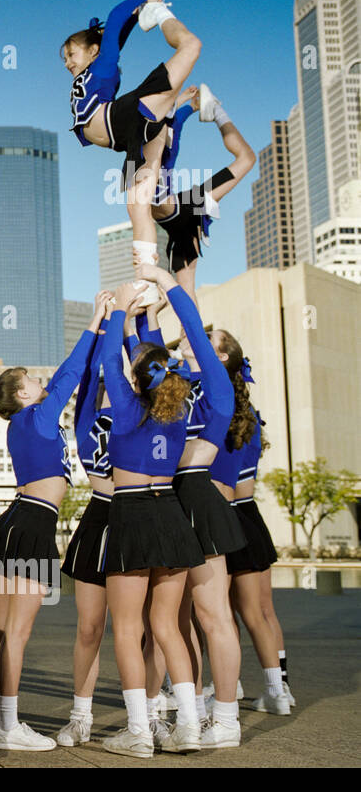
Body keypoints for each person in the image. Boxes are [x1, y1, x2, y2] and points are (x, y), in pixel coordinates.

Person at [0, 297, 106, 750]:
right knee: (18, 632)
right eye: (32, 379)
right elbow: (67, 375)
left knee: (3, 629)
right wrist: (96, 321)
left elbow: (67, 376)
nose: (40, 381)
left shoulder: (20, 424)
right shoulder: (39, 417)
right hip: (34, 526)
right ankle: (8, 725)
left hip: (15, 522)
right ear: (22, 393)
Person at [95, 272, 210, 758]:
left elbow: (108, 363)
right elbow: (154, 364)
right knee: (169, 628)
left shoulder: (123, 405)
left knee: (127, 628)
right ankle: (188, 727)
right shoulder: (178, 408)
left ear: (134, 378)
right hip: (171, 514)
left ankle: (140, 731)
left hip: (132, 513)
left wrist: (118, 310)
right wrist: (147, 319)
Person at [138, 263, 245, 748]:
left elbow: (193, 339)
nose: (190, 346)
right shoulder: (172, 384)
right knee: (172, 620)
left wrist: (167, 281)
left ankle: (226, 717)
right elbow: (146, 352)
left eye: (202, 344)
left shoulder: (218, 393)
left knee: (212, 613)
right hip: (164, 499)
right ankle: (194, 710)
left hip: (197, 496)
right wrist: (146, 311)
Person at [63, 0, 203, 281]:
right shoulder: (96, 67)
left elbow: (115, 20)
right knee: (139, 205)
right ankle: (146, 275)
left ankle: (161, 13)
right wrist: (137, 15)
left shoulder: (100, 65)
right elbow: (115, 35)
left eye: (71, 54)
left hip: (128, 116)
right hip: (131, 132)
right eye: (65, 59)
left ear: (92, 51)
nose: (67, 63)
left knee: (190, 46)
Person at [55, 291, 123, 746]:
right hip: (98, 517)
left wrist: (124, 319)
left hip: (141, 516)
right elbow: (86, 371)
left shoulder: (141, 412)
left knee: (147, 630)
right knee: (89, 626)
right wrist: (100, 322)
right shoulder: (85, 421)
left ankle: (152, 710)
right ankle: (81, 715)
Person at [209, 348, 291, 716]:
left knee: (220, 612)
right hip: (250, 516)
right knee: (260, 611)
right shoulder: (249, 414)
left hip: (228, 515)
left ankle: (232, 684)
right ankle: (278, 689)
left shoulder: (219, 408)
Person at [152, 87, 256, 301]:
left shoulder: (167, 136)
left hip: (180, 211)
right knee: (246, 158)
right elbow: (167, 118)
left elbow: (171, 120)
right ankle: (215, 110)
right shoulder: (153, 138)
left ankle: (214, 109)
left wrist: (189, 105)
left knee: (188, 297)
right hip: (180, 210)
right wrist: (188, 104)